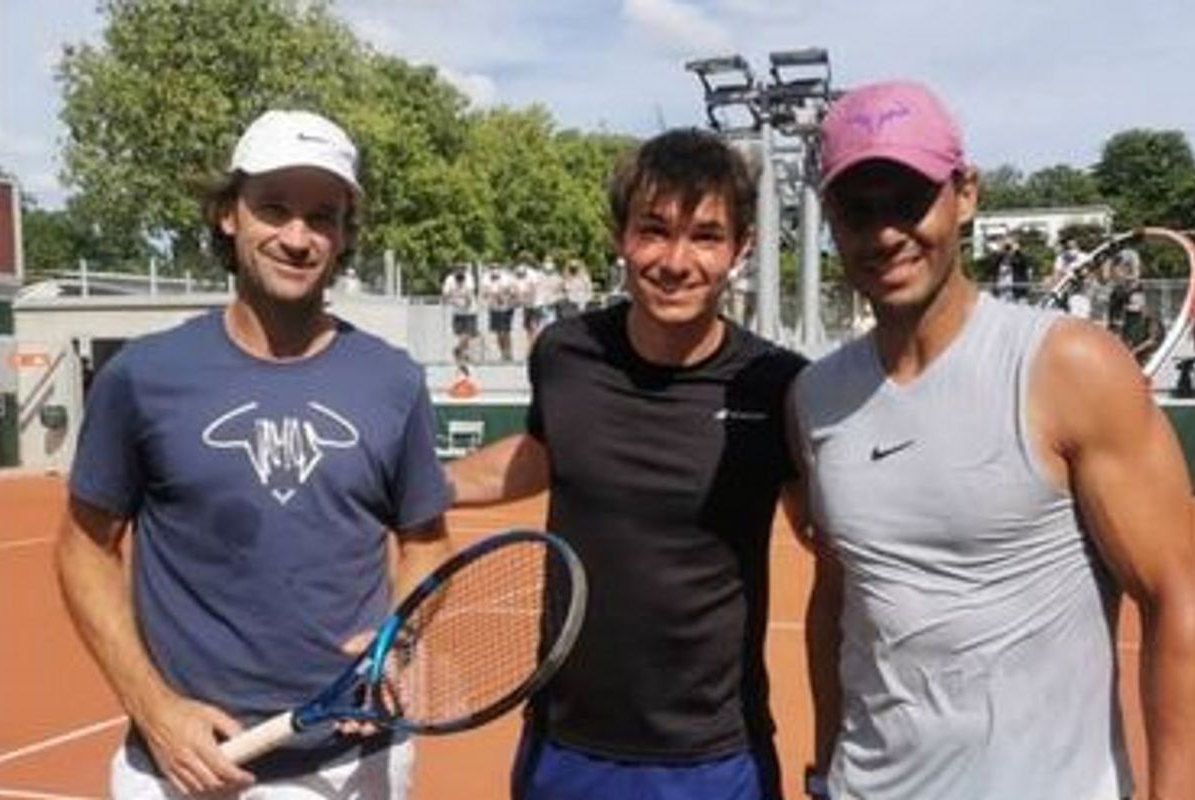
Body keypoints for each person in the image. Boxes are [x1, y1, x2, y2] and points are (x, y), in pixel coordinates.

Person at [791, 80, 1195, 800]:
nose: (886, 233)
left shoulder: (1071, 367)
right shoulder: (814, 398)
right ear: (830, 220)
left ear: (965, 193)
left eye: (910, 200)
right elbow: (838, 597)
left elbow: (1178, 596)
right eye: (858, 210)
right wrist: (825, 766)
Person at [55, 109, 453, 799]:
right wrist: (153, 708)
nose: (297, 238)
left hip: (353, 767)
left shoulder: (393, 380)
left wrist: (401, 639)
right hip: (182, 768)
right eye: (273, 209)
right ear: (228, 216)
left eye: (322, 217)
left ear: (343, 235)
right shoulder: (145, 376)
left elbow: (427, 542)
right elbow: (84, 549)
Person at [448, 128, 808, 800]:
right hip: (566, 747)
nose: (676, 260)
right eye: (653, 230)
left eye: (705, 235)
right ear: (620, 237)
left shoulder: (777, 383)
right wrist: (429, 484)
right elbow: (544, 452)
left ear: (742, 249)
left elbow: (826, 522)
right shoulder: (564, 353)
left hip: (716, 757)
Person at [441, 263, 478, 366]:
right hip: (457, 311)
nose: (460, 271)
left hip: (470, 310)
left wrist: (464, 303)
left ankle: (458, 349)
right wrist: (451, 300)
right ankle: (464, 354)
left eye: (462, 269)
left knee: (469, 333)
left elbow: (469, 296)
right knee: (460, 334)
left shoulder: (469, 278)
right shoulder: (449, 279)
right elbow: (445, 295)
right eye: (458, 269)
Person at [482, 263, 516, 361]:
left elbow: (512, 291)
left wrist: (504, 295)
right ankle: (503, 353)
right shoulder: (485, 279)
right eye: (492, 267)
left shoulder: (506, 278)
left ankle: (508, 352)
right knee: (498, 332)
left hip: (507, 307)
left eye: (496, 267)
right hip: (494, 308)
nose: (494, 270)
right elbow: (484, 294)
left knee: (505, 331)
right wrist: (491, 295)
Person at [989, 233, 1033, 302]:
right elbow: (992, 265)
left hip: (1016, 293)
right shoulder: (998, 256)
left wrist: (1016, 252)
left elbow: (1021, 263)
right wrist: (1000, 251)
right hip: (1000, 293)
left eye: (1012, 242)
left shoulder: (1020, 256)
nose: (1008, 246)